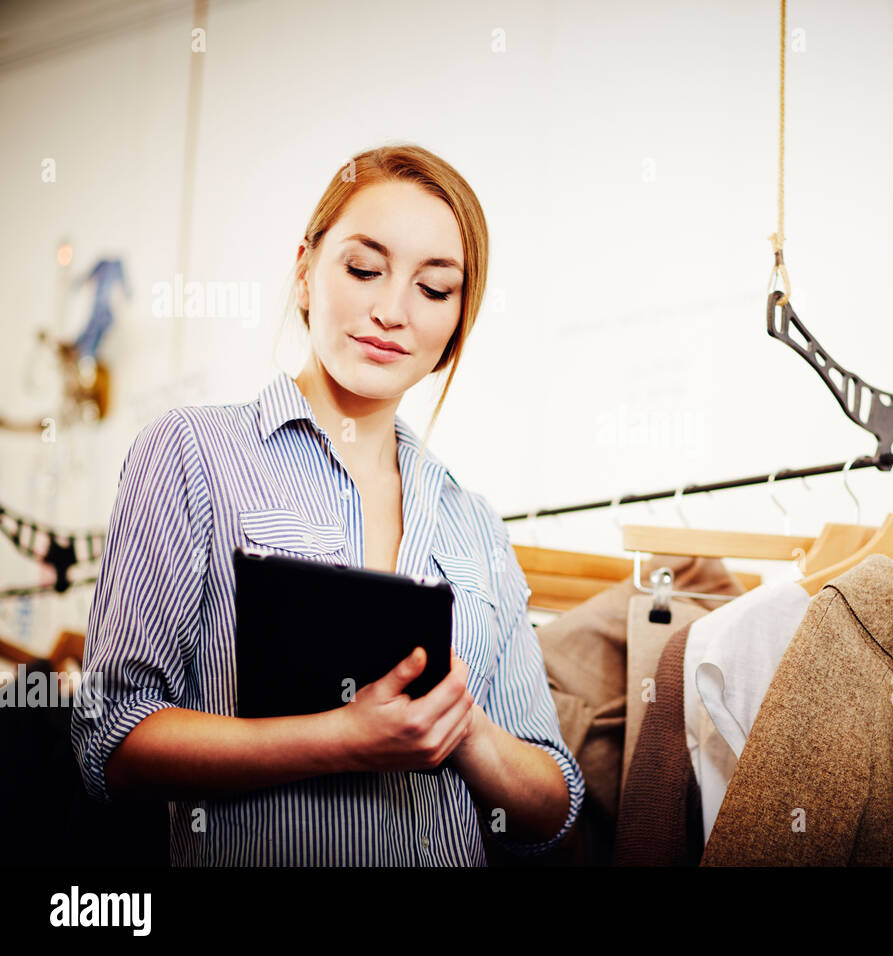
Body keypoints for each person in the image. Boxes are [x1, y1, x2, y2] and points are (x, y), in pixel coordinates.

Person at [70, 144, 584, 866]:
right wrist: (338, 738)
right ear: (307, 271)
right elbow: (112, 740)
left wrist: (462, 728)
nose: (391, 311)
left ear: (456, 325)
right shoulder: (192, 455)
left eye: (434, 290)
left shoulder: (476, 526)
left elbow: (553, 805)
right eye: (365, 269)